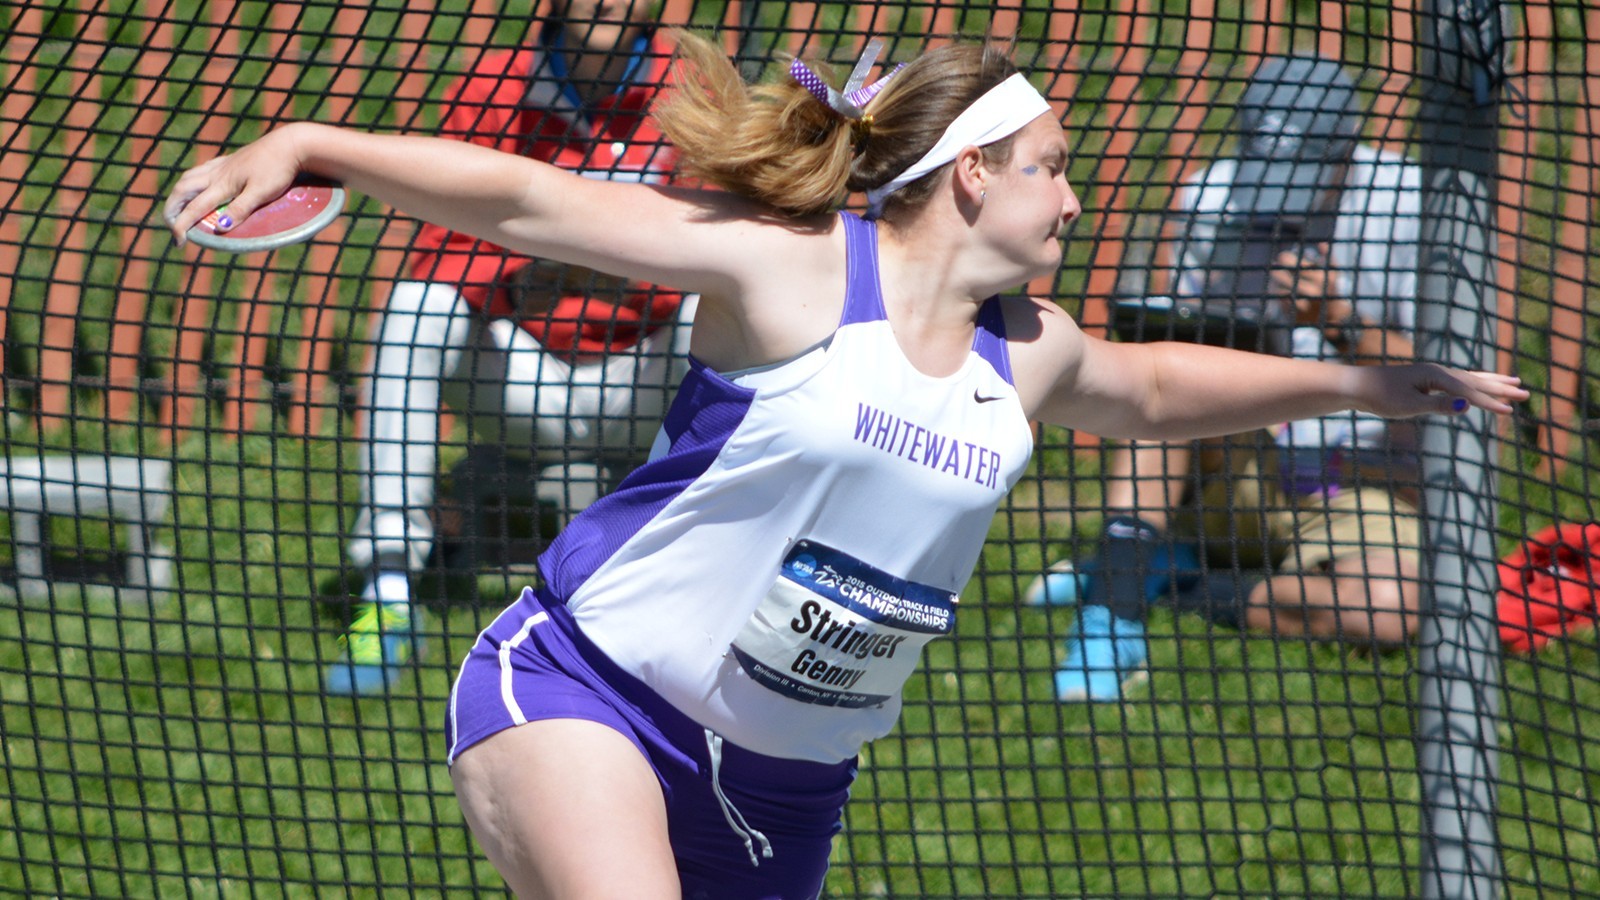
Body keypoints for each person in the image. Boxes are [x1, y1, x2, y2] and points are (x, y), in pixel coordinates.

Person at [165, 29, 1524, 899]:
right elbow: (538, 201)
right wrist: (312, 144)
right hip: (588, 691)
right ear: (972, 177)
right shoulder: (796, 274)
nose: (1076, 193)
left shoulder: (1028, 349)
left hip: (787, 787)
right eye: (1054, 165)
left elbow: (1155, 386)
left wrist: (1367, 377)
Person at [1027, 55, 1433, 702]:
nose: (1278, 200)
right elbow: (1170, 354)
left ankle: (1165, 579)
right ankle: (1113, 608)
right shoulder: (1212, 194)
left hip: (1364, 483)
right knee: (1157, 388)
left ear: (1348, 151)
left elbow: (1448, 384)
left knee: (1387, 611)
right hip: (1237, 463)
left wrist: (1340, 323)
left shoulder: (1414, 206)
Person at [331, 0, 695, 696]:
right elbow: (440, 246)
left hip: (650, 383)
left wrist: (604, 265)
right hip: (522, 375)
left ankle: (697, 583)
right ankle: (386, 593)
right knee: (415, 309)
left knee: (717, 310)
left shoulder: (694, 93)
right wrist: (552, 268)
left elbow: (722, 247)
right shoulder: (493, 87)